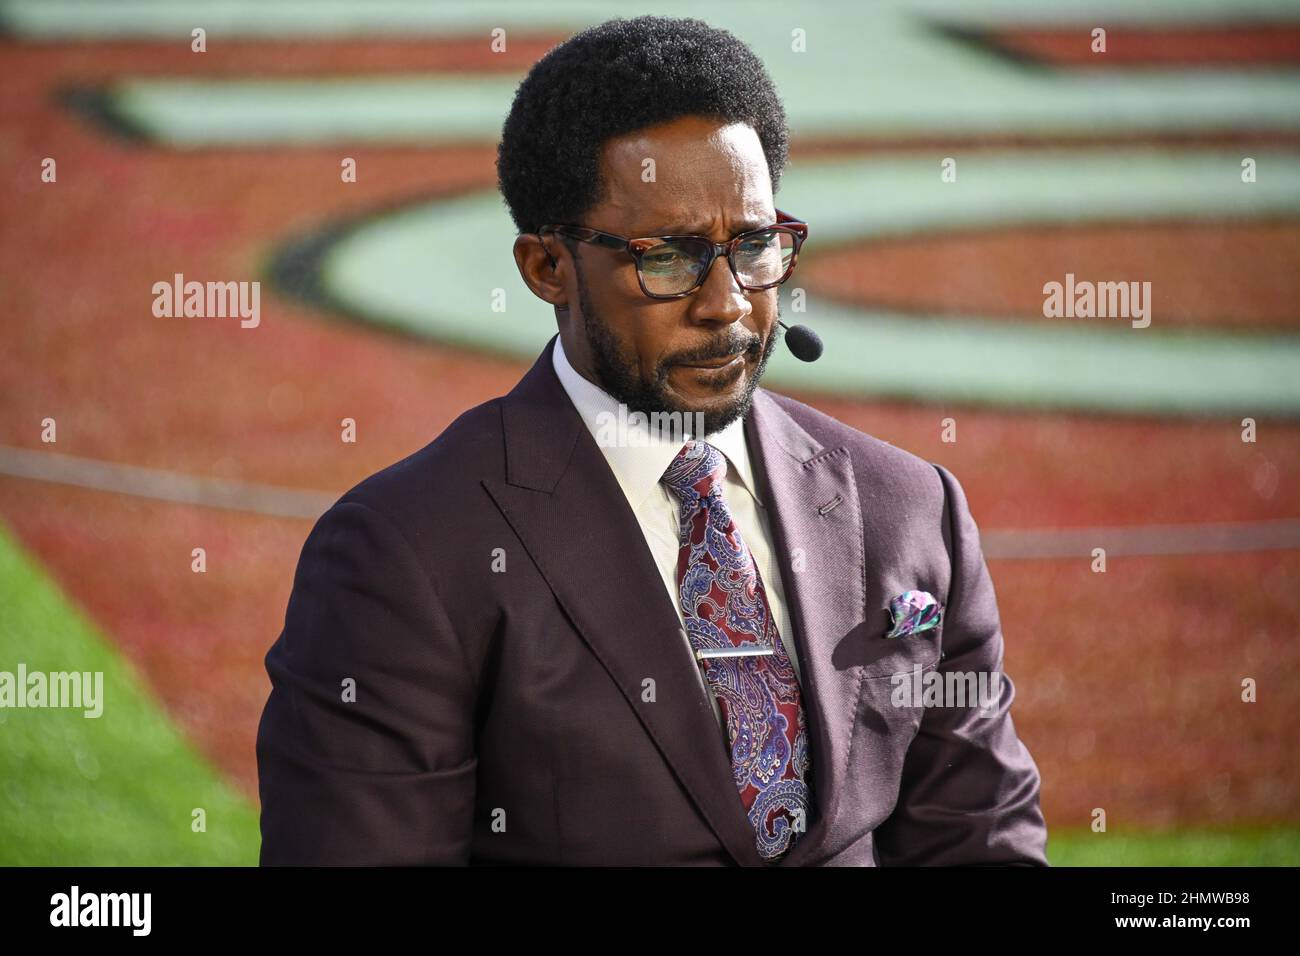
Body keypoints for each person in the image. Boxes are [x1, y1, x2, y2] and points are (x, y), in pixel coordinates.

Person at [255, 14, 1048, 866]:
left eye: (753, 245)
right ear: (546, 268)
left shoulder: (915, 509)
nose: (728, 303)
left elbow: (981, 842)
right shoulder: (403, 551)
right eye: (668, 258)